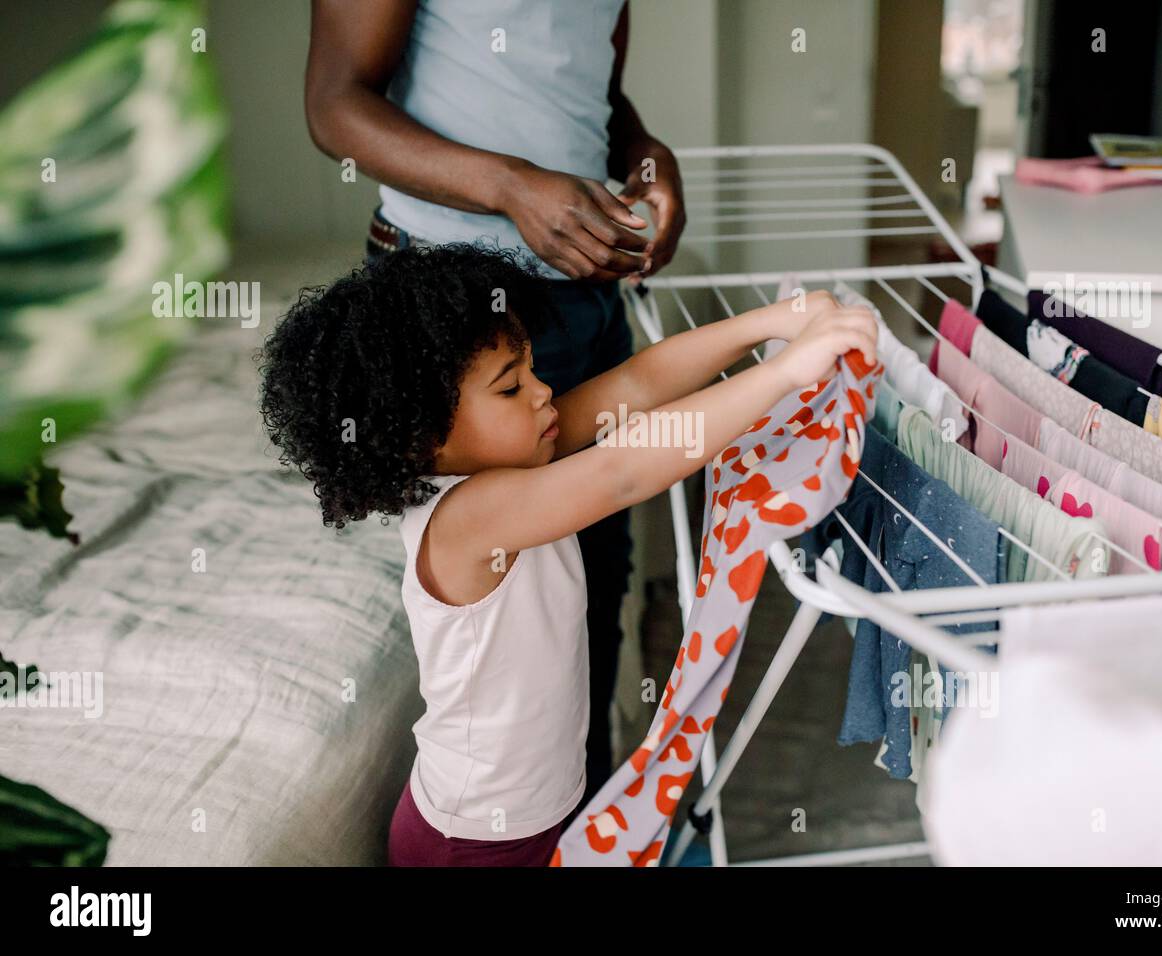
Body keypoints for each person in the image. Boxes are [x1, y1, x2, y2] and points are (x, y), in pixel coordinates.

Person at [257, 243, 878, 865]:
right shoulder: (465, 519)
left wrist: (769, 324)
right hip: (476, 842)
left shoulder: (525, 452)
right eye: (510, 388)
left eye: (531, 369)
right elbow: (620, 472)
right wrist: (784, 372)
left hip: (541, 810)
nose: (541, 392)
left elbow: (639, 382)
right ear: (424, 436)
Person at [304, 0, 686, 805]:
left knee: (594, 575)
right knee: (500, 597)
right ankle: (514, 817)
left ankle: (575, 814)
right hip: (454, 308)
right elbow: (334, 102)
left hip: (585, 294)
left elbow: (589, 92)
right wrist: (511, 187)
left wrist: (647, 155)